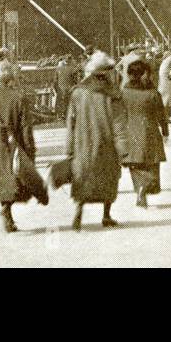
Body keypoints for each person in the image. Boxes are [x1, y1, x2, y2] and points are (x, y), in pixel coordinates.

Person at [0, 61, 47, 233]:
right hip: (14, 141)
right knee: (15, 177)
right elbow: (26, 127)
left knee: (1, 178)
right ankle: (7, 212)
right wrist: (29, 150)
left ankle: (7, 213)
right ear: (11, 79)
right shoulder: (19, 98)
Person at [66, 51, 128, 231]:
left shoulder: (78, 93)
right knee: (109, 177)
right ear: (105, 73)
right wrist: (123, 149)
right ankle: (106, 215)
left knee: (83, 176)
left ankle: (79, 210)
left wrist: (69, 147)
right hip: (106, 142)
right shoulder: (112, 94)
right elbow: (118, 122)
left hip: (83, 143)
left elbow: (71, 121)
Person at [120, 59, 169, 208]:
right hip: (150, 132)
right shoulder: (153, 94)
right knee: (152, 165)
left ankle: (140, 190)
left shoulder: (123, 93)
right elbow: (161, 115)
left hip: (130, 134)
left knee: (135, 166)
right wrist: (165, 132)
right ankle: (145, 188)